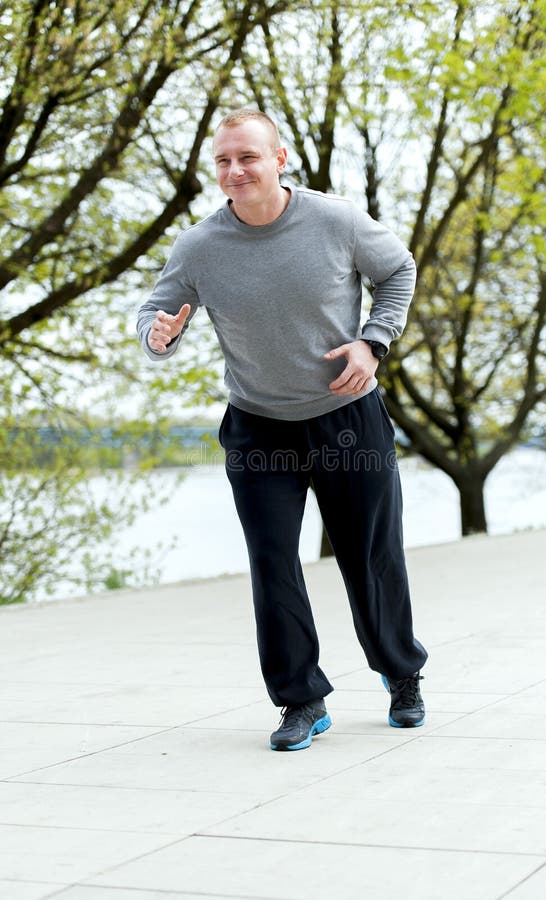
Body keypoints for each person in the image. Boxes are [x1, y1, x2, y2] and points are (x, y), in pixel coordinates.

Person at [137, 108, 428, 752]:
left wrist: (372, 342)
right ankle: (301, 700)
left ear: (280, 158)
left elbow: (397, 272)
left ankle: (401, 673)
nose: (235, 170)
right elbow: (157, 309)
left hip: (346, 420)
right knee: (272, 563)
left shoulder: (337, 221)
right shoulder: (200, 247)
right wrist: (158, 334)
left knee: (370, 556)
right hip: (258, 427)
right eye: (223, 161)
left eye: (248, 157)